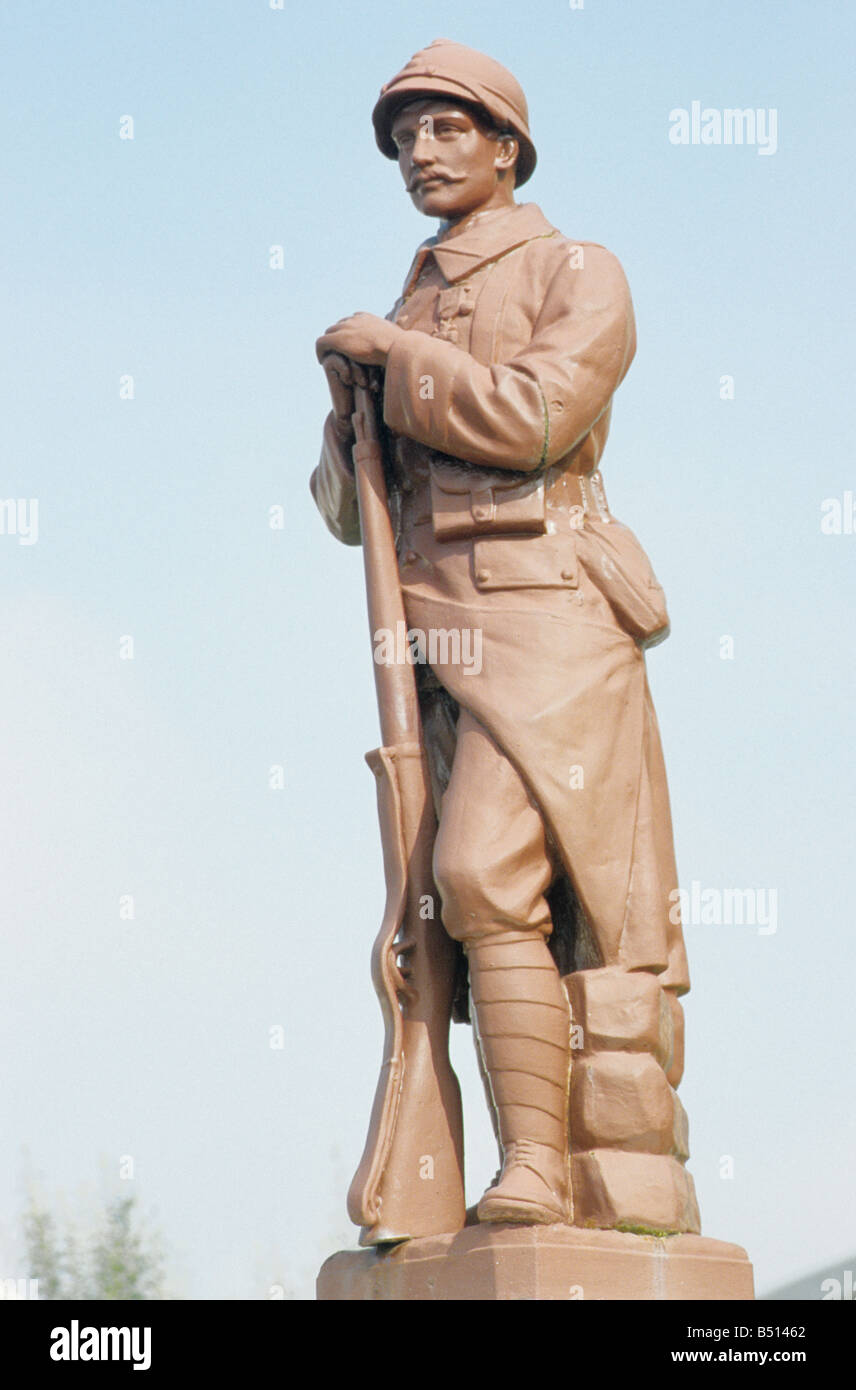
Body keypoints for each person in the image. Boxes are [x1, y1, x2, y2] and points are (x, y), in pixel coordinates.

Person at [310, 39, 690, 1228]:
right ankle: (522, 1167)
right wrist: (347, 419)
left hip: (551, 617)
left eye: (445, 129)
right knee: (456, 914)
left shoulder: (578, 268)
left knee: (479, 873)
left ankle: (539, 1165)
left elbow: (534, 416)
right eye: (404, 137)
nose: (420, 154)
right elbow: (343, 518)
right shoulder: (408, 299)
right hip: (437, 637)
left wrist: (400, 361)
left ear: (505, 145)